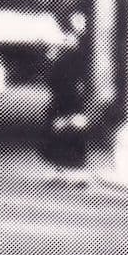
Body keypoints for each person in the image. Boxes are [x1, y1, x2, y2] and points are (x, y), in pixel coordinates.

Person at [41, 19, 91, 183]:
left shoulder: (77, 50)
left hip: (70, 95)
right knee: (63, 129)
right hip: (65, 94)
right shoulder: (67, 49)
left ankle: (70, 168)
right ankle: (65, 167)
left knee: (68, 129)